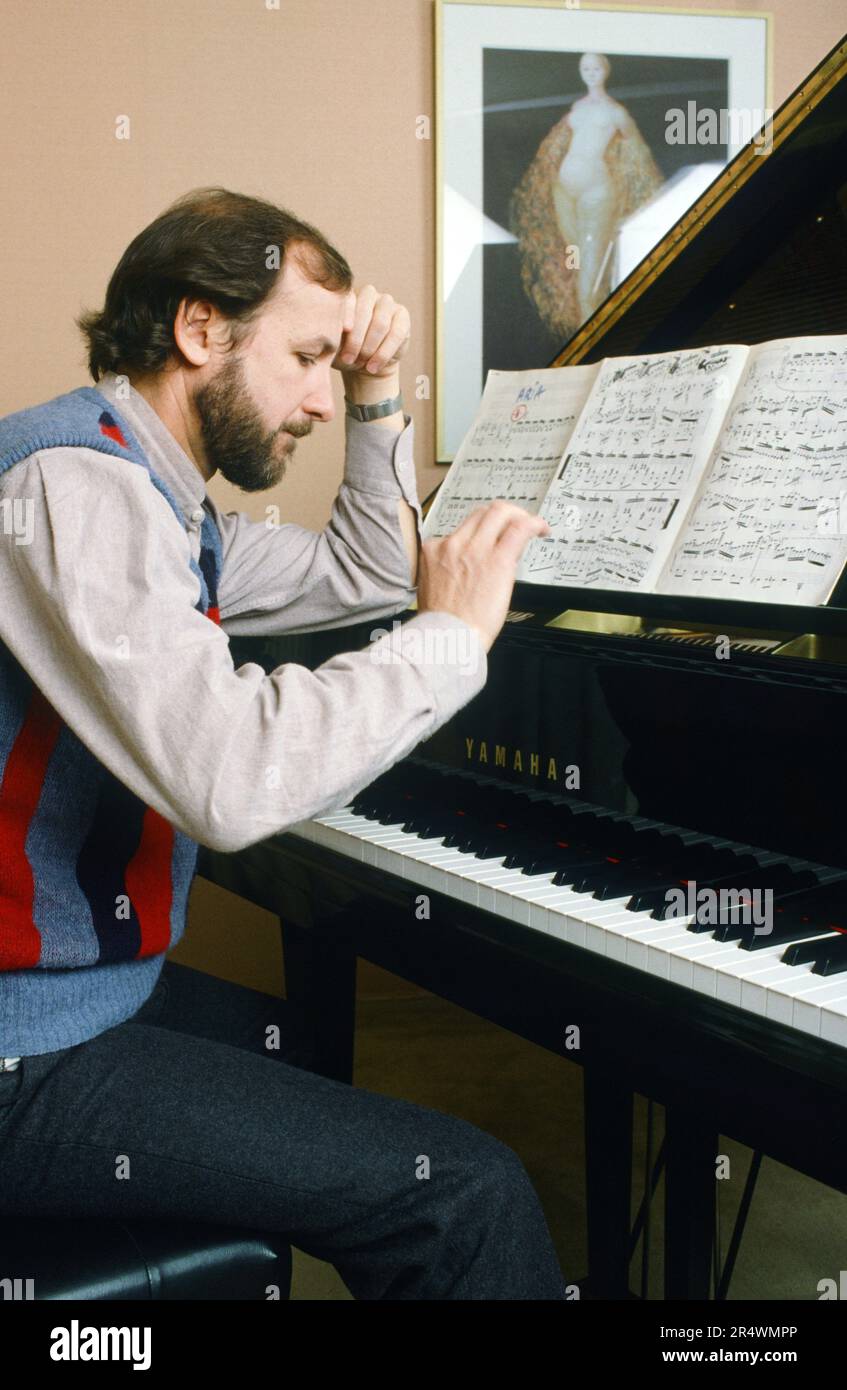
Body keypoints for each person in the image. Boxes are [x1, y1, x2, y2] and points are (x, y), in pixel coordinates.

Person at [0, 187, 567, 1299]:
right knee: (463, 1190)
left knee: (293, 1044)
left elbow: (361, 572)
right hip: (20, 1048)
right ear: (200, 330)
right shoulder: (75, 486)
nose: (316, 396)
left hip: (86, 991)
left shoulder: (169, 506)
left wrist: (373, 391)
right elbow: (229, 778)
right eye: (306, 356)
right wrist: (450, 637)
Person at [510, 52, 663, 338]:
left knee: (590, 269)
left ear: (605, 71)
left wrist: (633, 187)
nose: (590, 72)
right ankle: (586, 333)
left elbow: (636, 151)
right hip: (565, 192)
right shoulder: (577, 107)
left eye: (595, 67)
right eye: (585, 68)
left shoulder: (616, 112)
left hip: (597, 191)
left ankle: (592, 339)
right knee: (576, 262)